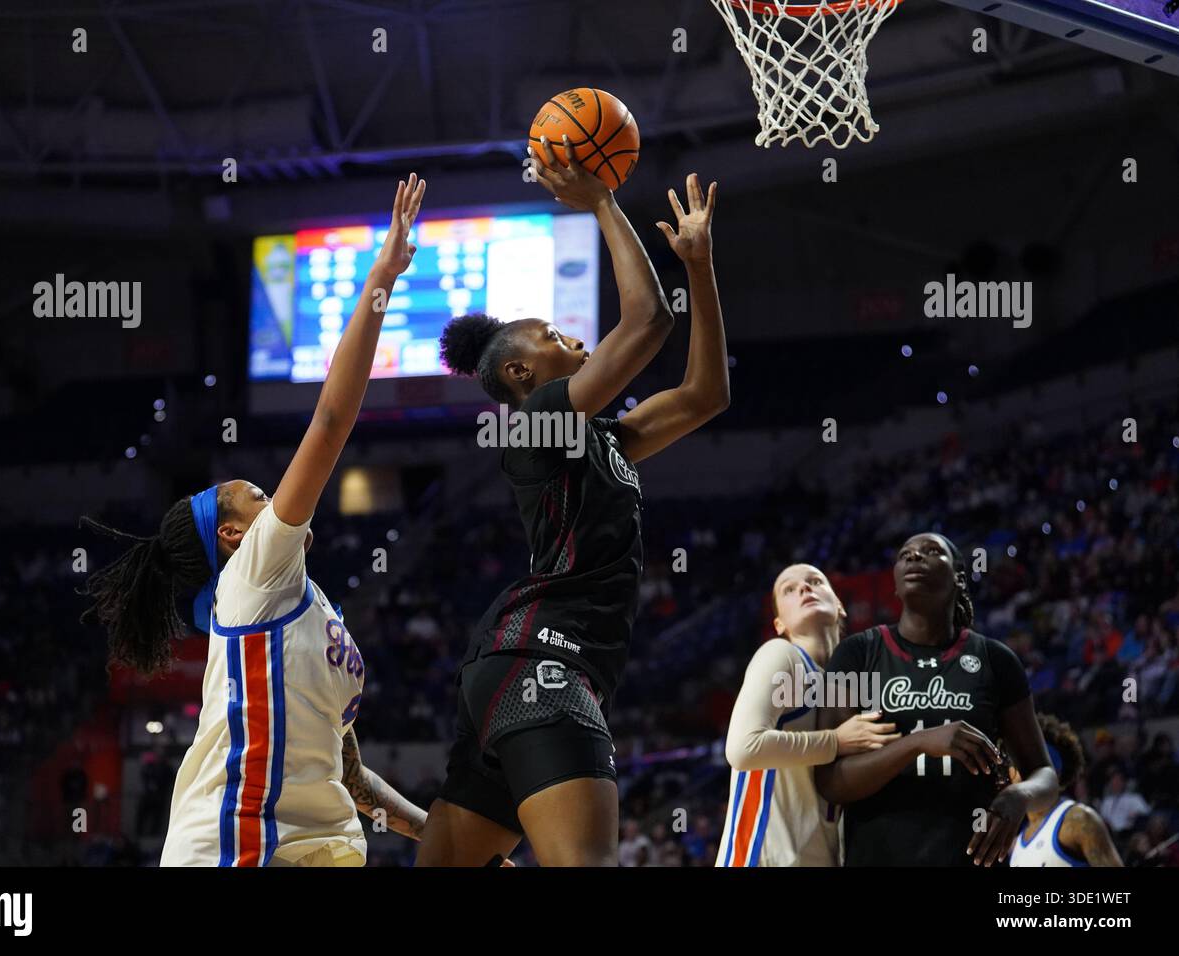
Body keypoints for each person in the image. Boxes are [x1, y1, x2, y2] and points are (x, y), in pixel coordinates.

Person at [81, 176, 429, 866]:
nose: (277, 500)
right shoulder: (255, 573)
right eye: (259, 497)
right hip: (237, 843)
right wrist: (380, 282)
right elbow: (330, 421)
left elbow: (354, 780)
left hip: (311, 843)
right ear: (235, 537)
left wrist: (460, 841)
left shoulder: (305, 603)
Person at [416, 140, 730, 866]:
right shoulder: (534, 425)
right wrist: (602, 201)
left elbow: (707, 395)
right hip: (545, 662)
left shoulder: (600, 437)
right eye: (557, 335)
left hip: (504, 670)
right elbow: (647, 324)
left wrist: (701, 269)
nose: (578, 338)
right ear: (524, 372)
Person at [814, 532, 1059, 866]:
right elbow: (830, 782)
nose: (914, 557)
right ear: (896, 586)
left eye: (931, 551)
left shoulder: (996, 659)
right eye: (905, 554)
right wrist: (917, 743)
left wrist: (1019, 795)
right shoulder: (856, 654)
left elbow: (1044, 773)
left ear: (959, 578)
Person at [718, 564, 898, 866]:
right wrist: (835, 742)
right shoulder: (782, 654)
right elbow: (742, 749)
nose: (804, 588)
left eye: (815, 581)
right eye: (789, 589)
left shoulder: (854, 685)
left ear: (839, 605)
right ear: (778, 624)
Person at [1008, 713, 1121, 866]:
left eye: (1025, 765)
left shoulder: (1079, 820)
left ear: (1052, 774)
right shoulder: (1016, 845)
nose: (1015, 772)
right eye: (1014, 764)